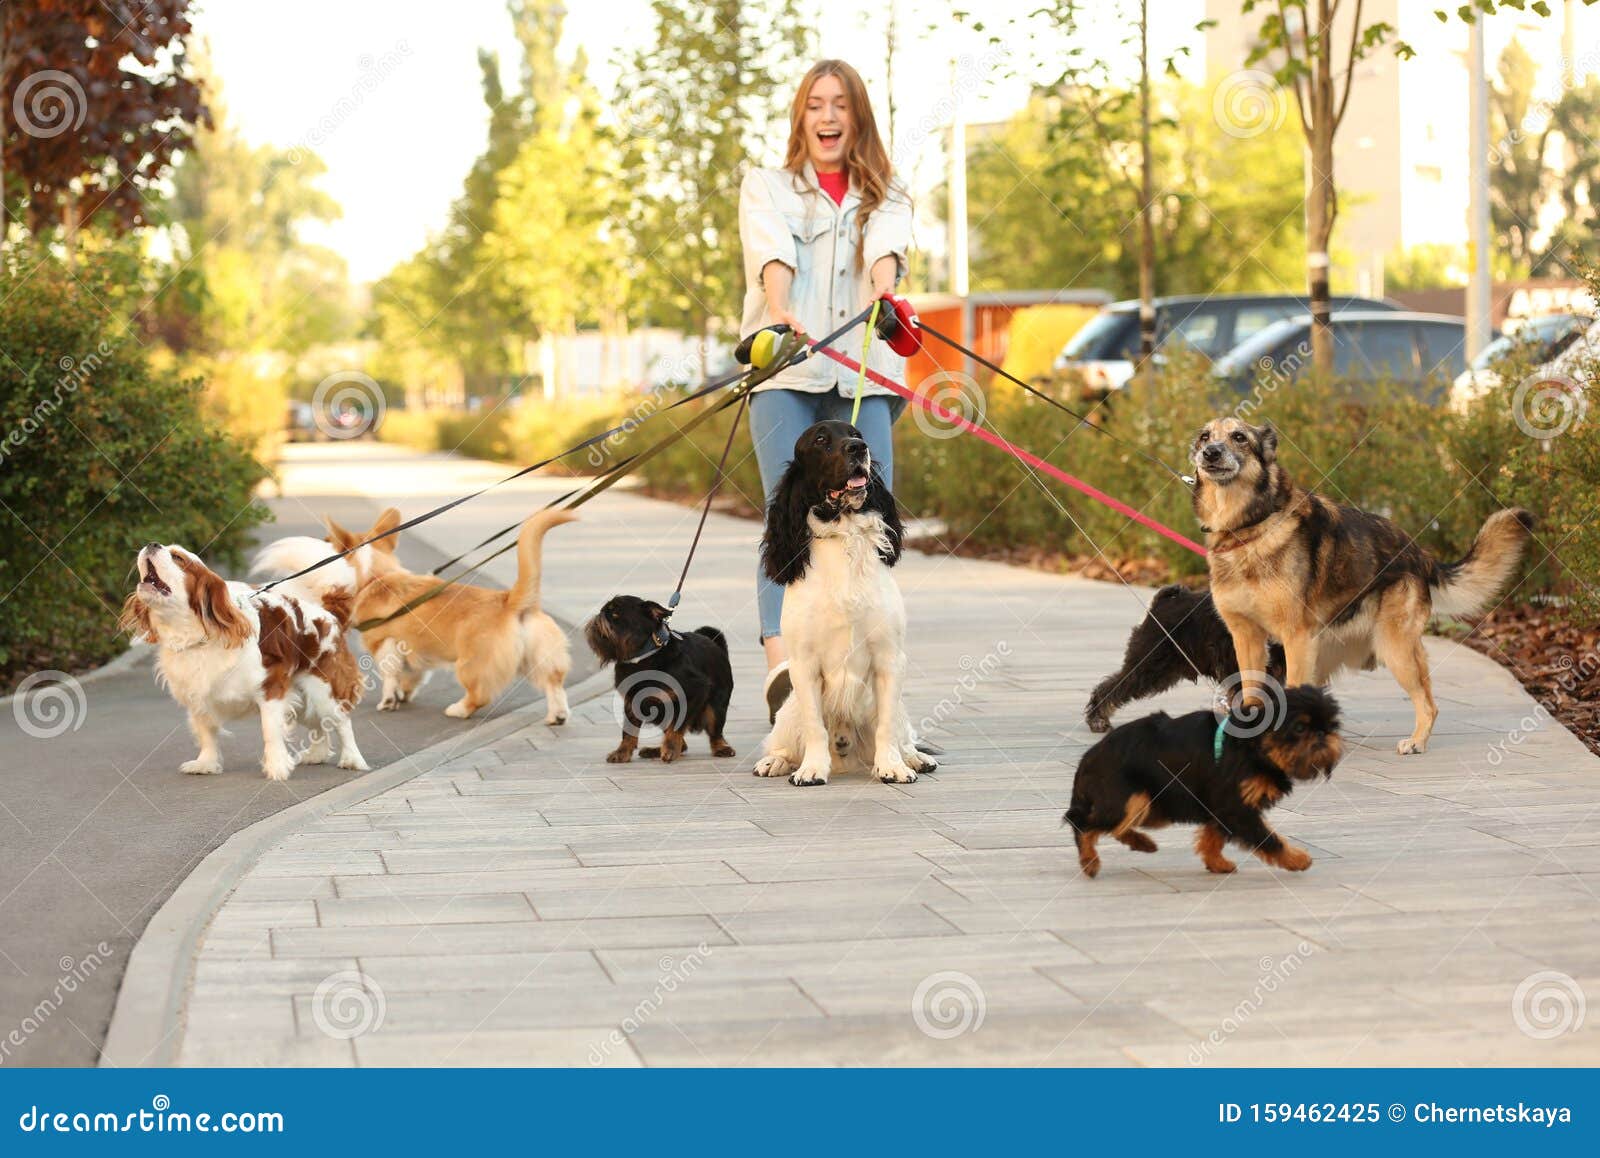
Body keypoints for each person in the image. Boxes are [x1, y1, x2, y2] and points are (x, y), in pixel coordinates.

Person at [737, 58, 913, 721]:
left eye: (840, 104)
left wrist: (885, 295)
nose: (828, 116)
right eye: (815, 104)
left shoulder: (889, 192)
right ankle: (786, 675)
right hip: (789, 369)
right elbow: (772, 253)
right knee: (788, 515)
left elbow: (884, 253)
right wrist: (781, 311)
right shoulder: (767, 185)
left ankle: (872, 691)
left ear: (857, 116)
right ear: (801, 117)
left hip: (865, 371)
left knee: (870, 518)